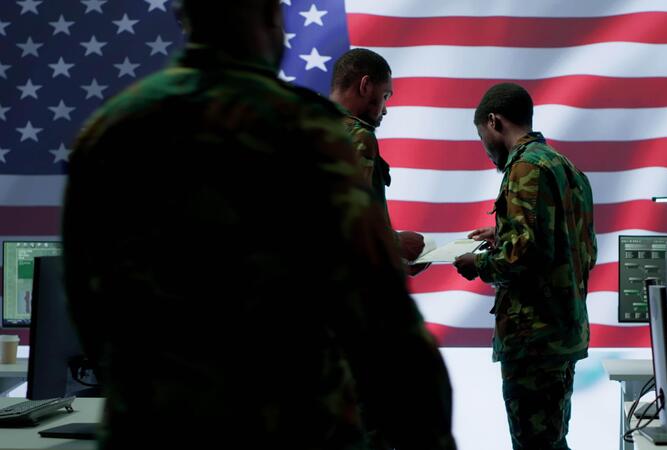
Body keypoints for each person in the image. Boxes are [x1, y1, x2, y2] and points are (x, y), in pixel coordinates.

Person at [61, 1, 456, 449]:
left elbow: (84, 301)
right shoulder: (308, 128)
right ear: (269, 16)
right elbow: (382, 314)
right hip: (288, 424)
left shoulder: (110, 130)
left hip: (153, 427)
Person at [453, 83, 597, 450]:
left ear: (493, 121)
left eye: (482, 135)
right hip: (562, 331)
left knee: (534, 444)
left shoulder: (524, 168)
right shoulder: (563, 165)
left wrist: (479, 263)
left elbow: (525, 255)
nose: (485, 147)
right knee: (552, 440)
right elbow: (575, 246)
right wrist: (504, 233)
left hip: (535, 340)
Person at [329, 49, 428, 268]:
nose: (385, 111)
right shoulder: (358, 135)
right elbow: (347, 220)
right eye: (385, 96)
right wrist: (397, 243)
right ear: (365, 86)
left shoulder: (303, 125)